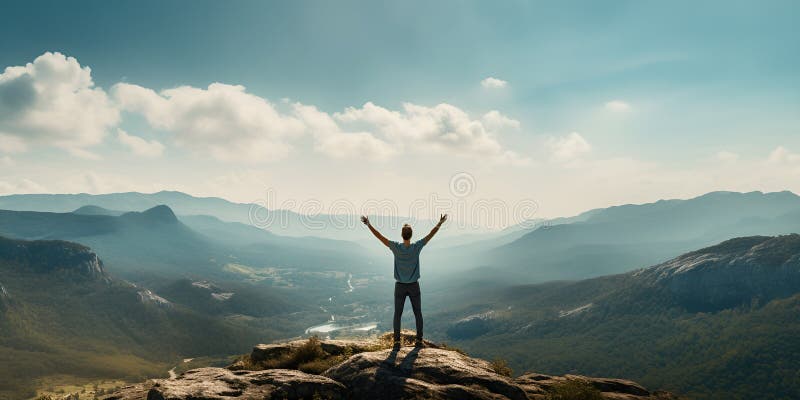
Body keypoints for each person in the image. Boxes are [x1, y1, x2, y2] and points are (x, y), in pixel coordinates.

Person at [360, 213, 447, 347]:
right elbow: (431, 235)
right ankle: (419, 340)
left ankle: (396, 342)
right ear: (411, 235)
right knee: (418, 313)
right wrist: (439, 223)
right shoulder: (416, 247)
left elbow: (380, 237)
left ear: (402, 235)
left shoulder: (396, 247)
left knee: (397, 314)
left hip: (400, 286)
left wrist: (369, 225)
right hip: (414, 286)